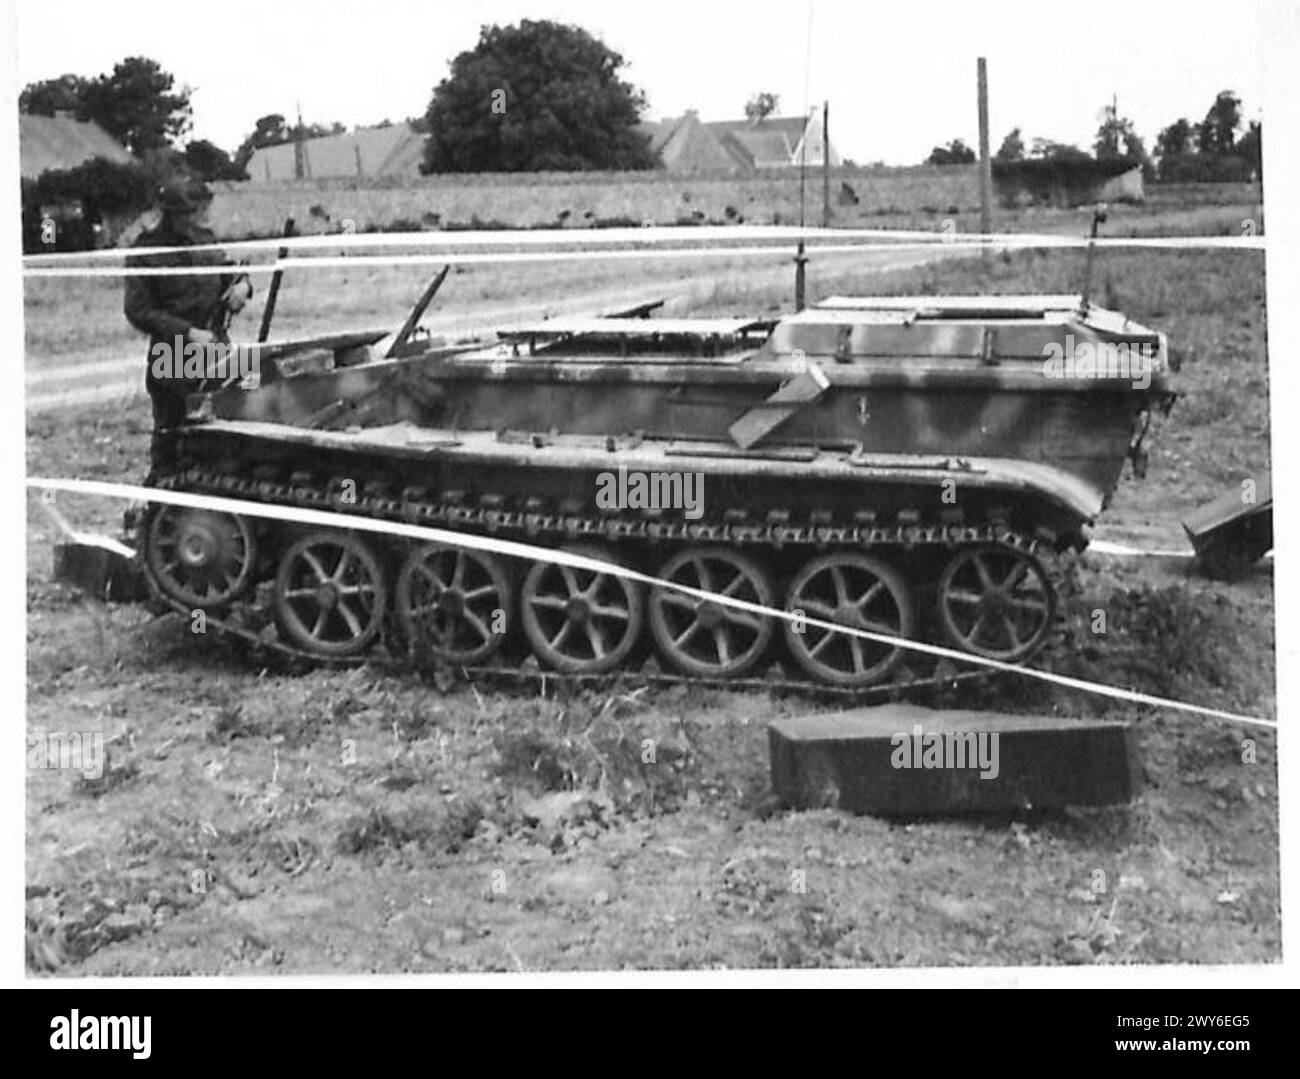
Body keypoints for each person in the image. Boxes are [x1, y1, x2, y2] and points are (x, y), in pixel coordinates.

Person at [124, 177, 253, 477]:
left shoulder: (205, 240)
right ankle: (162, 507)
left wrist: (242, 288)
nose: (192, 219)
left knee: (233, 422)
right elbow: (138, 310)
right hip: (172, 355)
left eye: (195, 212)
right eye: (185, 214)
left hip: (217, 348)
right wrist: (188, 333)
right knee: (174, 437)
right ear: (169, 214)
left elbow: (232, 275)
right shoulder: (146, 252)